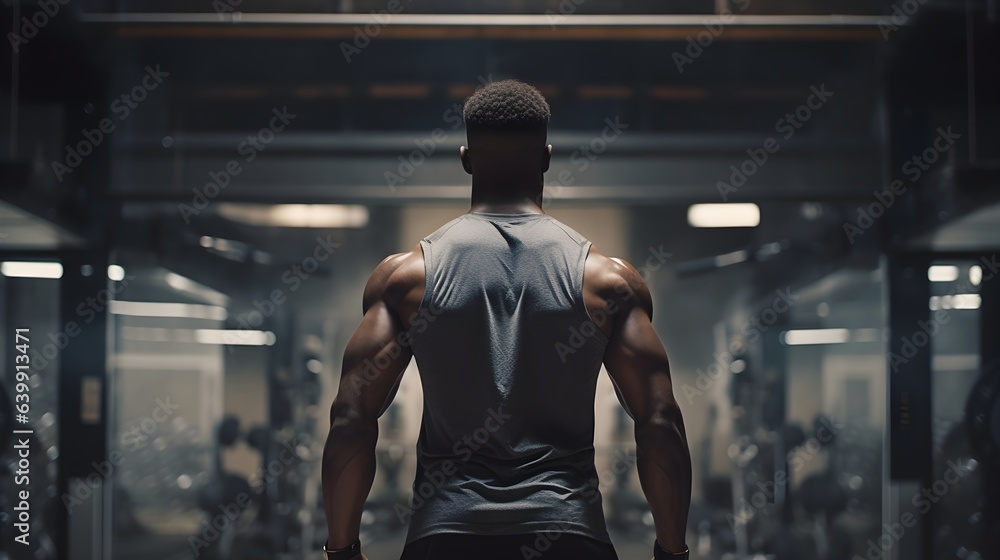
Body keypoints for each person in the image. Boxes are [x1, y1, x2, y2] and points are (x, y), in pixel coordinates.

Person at [322, 79, 691, 560]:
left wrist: (342, 551)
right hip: (568, 536)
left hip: (446, 538)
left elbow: (351, 418)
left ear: (465, 159)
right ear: (547, 158)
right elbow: (660, 422)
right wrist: (671, 552)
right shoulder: (606, 282)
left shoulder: (406, 279)